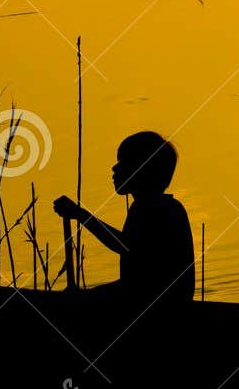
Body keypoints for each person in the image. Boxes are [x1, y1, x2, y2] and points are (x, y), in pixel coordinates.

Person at [53, 131, 195, 306]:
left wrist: (80, 214)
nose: (114, 168)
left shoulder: (162, 210)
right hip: (144, 295)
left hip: (159, 302)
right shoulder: (144, 207)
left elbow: (125, 246)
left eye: (123, 163)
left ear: (143, 170)